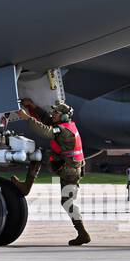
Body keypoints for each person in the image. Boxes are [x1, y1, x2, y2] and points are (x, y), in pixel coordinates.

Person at [13, 97, 91, 246]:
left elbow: (46, 131)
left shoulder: (62, 130)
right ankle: (82, 234)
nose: (53, 115)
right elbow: (46, 119)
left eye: (56, 113)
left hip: (69, 169)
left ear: (64, 116)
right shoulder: (66, 125)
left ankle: (83, 234)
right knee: (66, 202)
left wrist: (26, 118)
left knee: (67, 202)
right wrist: (32, 106)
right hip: (72, 167)